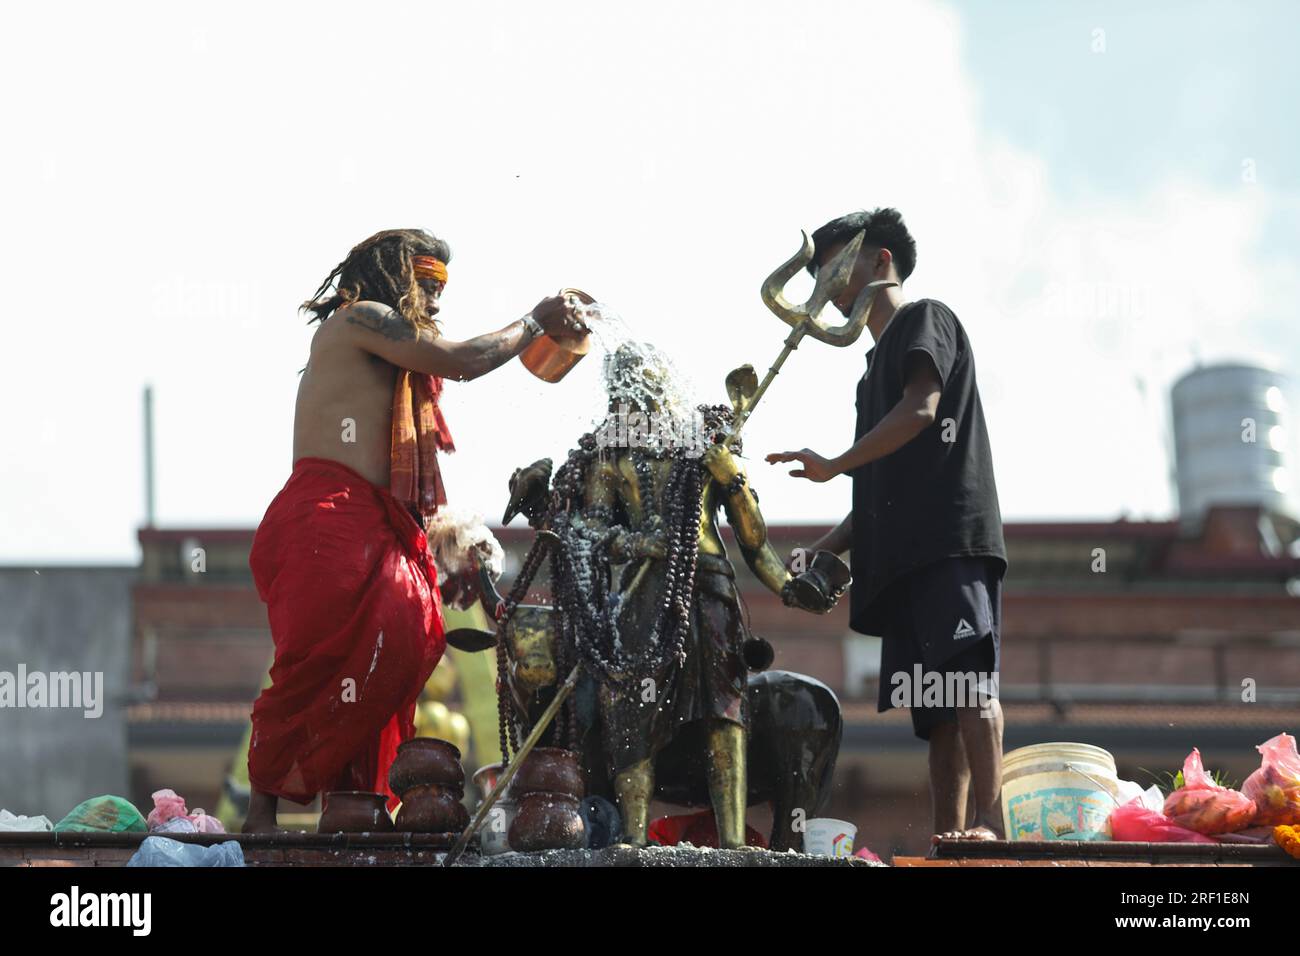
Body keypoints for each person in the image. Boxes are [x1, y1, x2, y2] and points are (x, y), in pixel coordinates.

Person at [242, 227, 582, 832]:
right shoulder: (360, 320)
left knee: (402, 639)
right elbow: (463, 359)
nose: (435, 302)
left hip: (374, 524)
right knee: (314, 666)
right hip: (327, 521)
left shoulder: (390, 347)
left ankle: (350, 814)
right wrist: (535, 322)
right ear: (393, 281)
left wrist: (446, 555)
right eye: (425, 286)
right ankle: (260, 815)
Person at [765, 208, 1007, 841]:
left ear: (880, 261)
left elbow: (923, 409)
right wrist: (820, 549)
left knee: (969, 684)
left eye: (834, 265)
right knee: (936, 716)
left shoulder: (926, 319)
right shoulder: (870, 375)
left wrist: (833, 463)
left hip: (949, 542)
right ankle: (949, 839)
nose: (825, 282)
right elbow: (874, 488)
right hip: (902, 562)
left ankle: (992, 823)